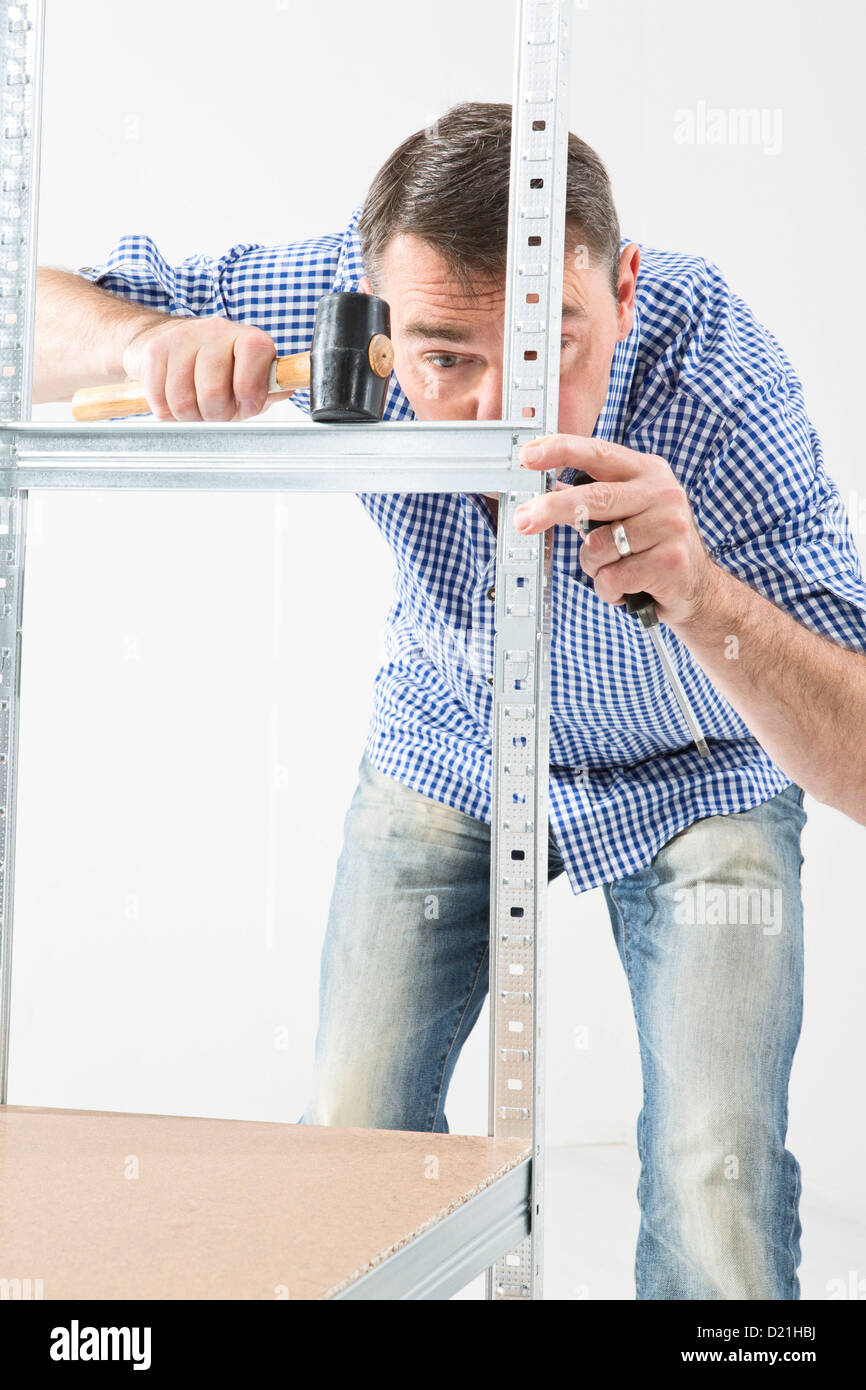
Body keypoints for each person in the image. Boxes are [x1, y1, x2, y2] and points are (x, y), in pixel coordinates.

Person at [35, 103, 866, 1300]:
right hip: (454, 738)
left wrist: (702, 599)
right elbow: (32, 313)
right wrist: (143, 343)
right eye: (444, 358)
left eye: (551, 342)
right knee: (349, 1148)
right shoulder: (351, 298)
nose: (499, 407)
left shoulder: (716, 374)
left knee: (714, 1187)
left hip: (701, 765)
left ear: (623, 290)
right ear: (376, 317)